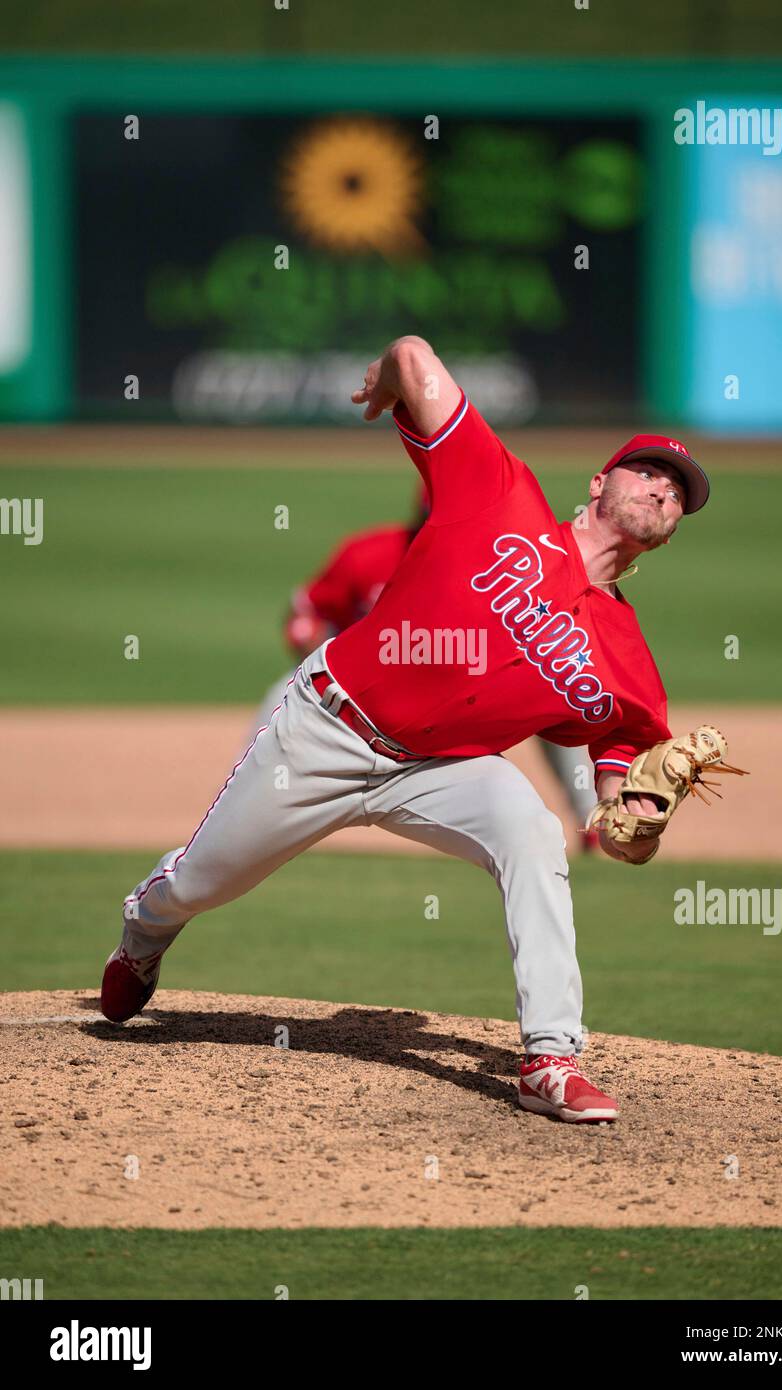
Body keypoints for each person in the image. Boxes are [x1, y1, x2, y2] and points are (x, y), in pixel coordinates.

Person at [101, 335, 710, 1125]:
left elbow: (619, 772)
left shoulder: (629, 662)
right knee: (203, 883)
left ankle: (550, 1059)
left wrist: (636, 820)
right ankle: (142, 936)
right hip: (327, 727)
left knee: (531, 829)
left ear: (673, 527)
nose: (662, 489)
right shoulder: (500, 493)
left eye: (677, 492)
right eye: (648, 470)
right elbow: (416, 354)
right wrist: (389, 384)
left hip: (438, 771)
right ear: (600, 481)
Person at [252, 499, 599, 843]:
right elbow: (306, 613)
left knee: (544, 699)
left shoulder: (494, 572)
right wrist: (311, 644)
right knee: (287, 689)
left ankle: (591, 820)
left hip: (451, 696)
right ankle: (249, 799)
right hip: (365, 691)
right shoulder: (368, 555)